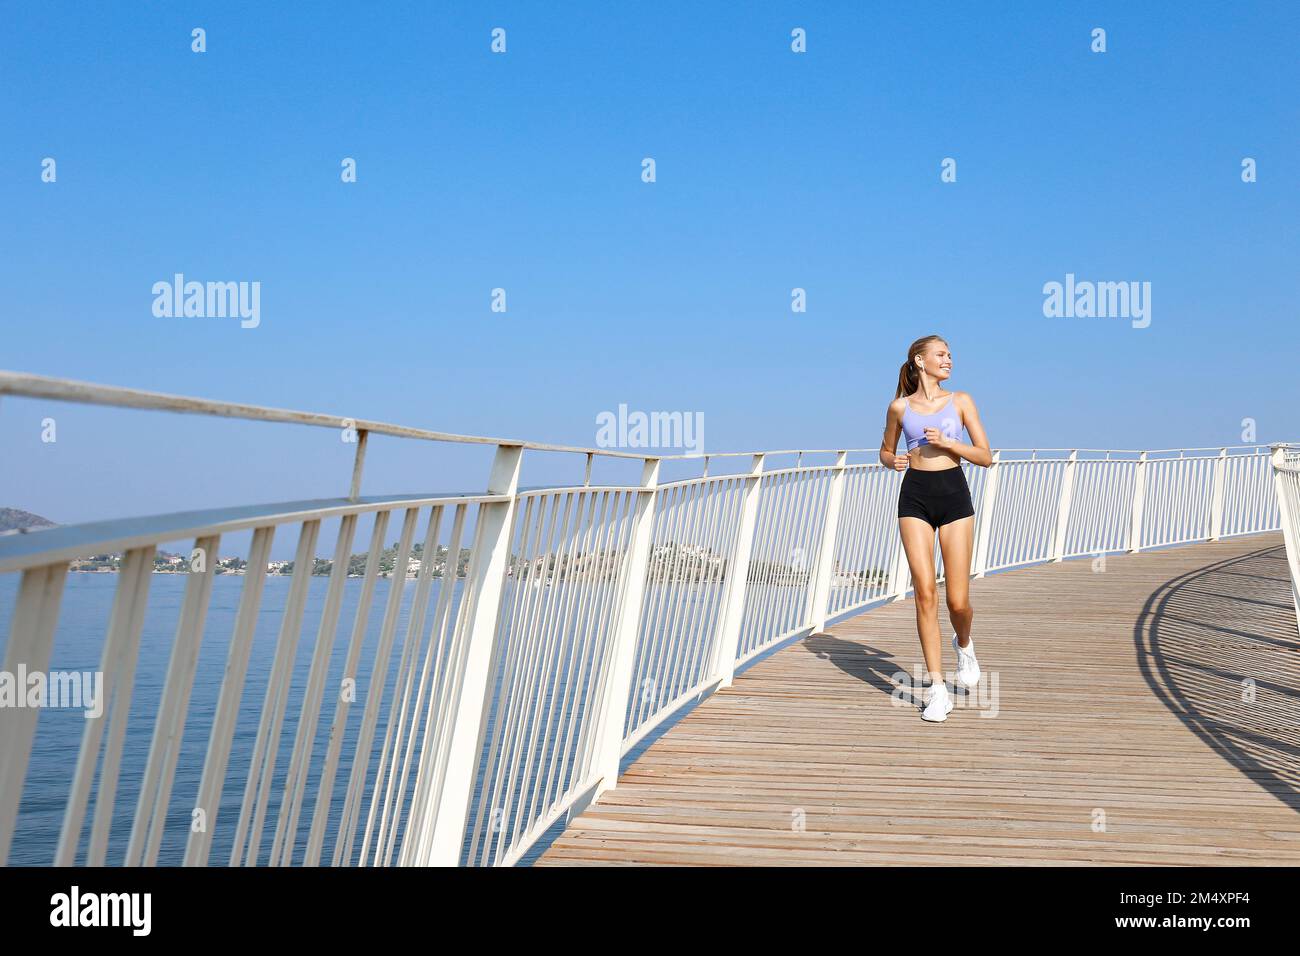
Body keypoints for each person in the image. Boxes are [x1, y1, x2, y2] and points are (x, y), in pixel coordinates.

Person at [879, 335, 993, 721]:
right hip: (915, 496)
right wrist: (890, 461)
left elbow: (985, 456)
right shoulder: (899, 407)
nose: (949, 360)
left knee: (956, 600)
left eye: (950, 355)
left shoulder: (961, 401)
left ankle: (964, 645)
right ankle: (938, 690)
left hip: (954, 495)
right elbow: (884, 449)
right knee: (924, 592)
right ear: (919, 360)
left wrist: (949, 443)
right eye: (941, 354)